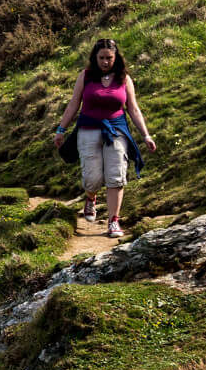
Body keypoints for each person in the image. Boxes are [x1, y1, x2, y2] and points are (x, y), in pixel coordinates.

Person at [50, 38, 157, 238]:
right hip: (88, 129)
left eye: (109, 58)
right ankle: (91, 197)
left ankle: (113, 221)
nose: (105, 62)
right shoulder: (86, 76)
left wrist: (146, 135)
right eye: (101, 58)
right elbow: (74, 104)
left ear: (116, 58)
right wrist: (61, 129)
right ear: (95, 57)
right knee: (92, 179)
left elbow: (133, 109)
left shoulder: (124, 79)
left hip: (116, 131)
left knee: (116, 176)